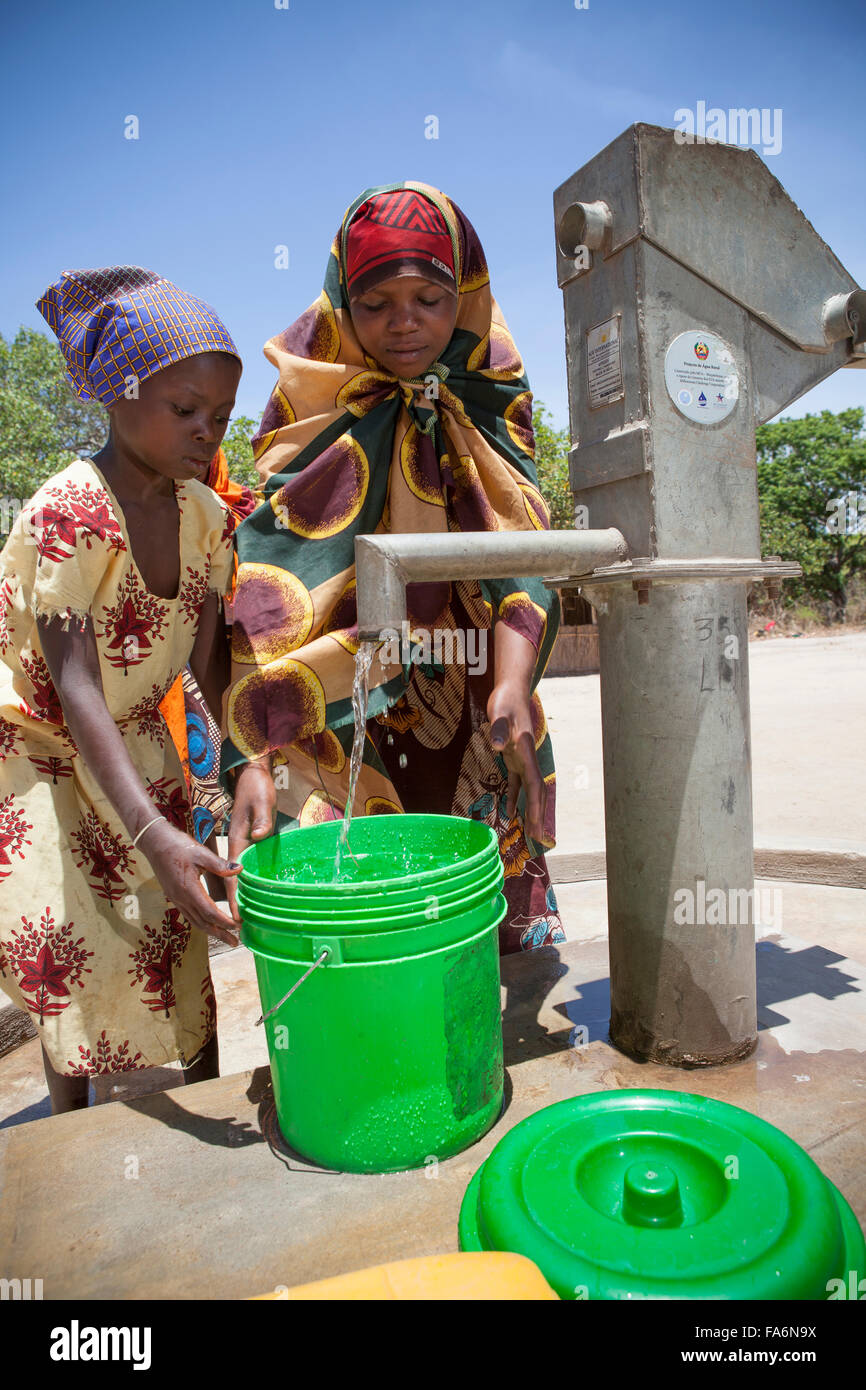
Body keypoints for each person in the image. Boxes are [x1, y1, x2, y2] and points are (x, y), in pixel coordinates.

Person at [224, 183, 565, 953]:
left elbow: (524, 548)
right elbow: (270, 579)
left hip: (478, 687)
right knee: (359, 914)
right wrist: (255, 748)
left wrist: (512, 678)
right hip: (346, 704)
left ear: (467, 296)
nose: (404, 320)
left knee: (478, 899)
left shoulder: (489, 394)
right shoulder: (309, 403)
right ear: (343, 303)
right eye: (375, 302)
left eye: (429, 298)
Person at [0, 266, 242, 1113]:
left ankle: (203, 1098)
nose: (206, 432)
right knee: (70, 946)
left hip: (140, 743)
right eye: (185, 411)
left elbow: (209, 668)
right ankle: (75, 1128)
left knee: (173, 934)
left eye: (219, 416)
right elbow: (74, 691)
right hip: (48, 764)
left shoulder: (206, 519)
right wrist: (148, 828)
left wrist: (253, 765)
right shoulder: (69, 512)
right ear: (116, 391)